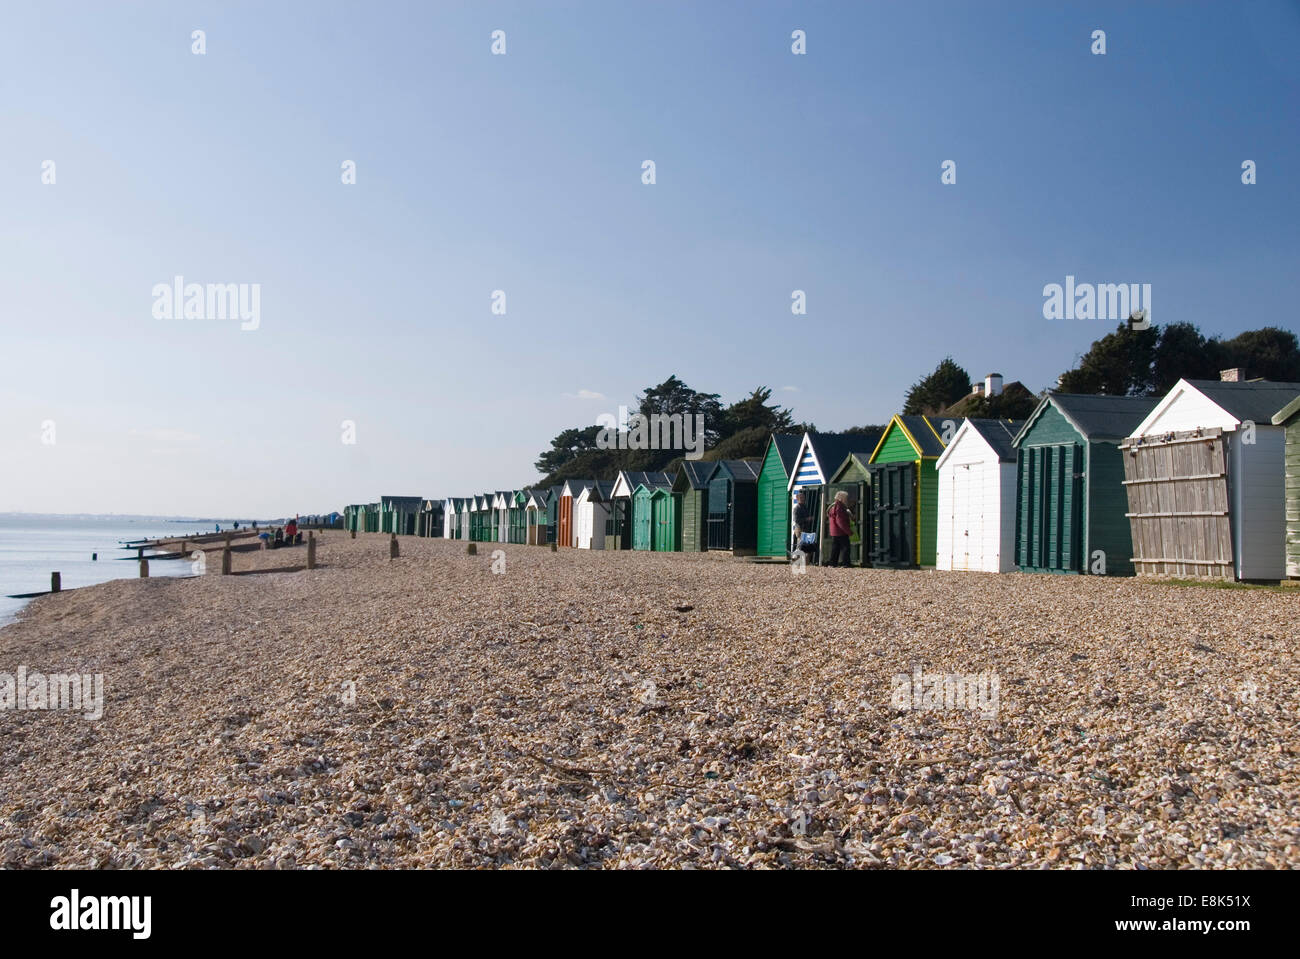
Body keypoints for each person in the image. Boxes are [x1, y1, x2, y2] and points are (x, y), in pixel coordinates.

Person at [826, 490, 855, 568]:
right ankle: (845, 563)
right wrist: (848, 531)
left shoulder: (833, 506)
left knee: (835, 548)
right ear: (841, 498)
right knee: (846, 548)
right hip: (841, 531)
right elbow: (840, 521)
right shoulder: (840, 507)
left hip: (834, 531)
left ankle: (832, 563)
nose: (847, 499)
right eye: (846, 498)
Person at [792, 489, 818, 565]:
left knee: (806, 546)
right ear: (797, 498)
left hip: (806, 528)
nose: (803, 499)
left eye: (803, 498)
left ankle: (805, 562)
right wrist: (807, 519)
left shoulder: (804, 507)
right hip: (800, 528)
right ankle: (795, 561)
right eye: (801, 498)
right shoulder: (797, 508)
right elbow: (796, 520)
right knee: (800, 545)